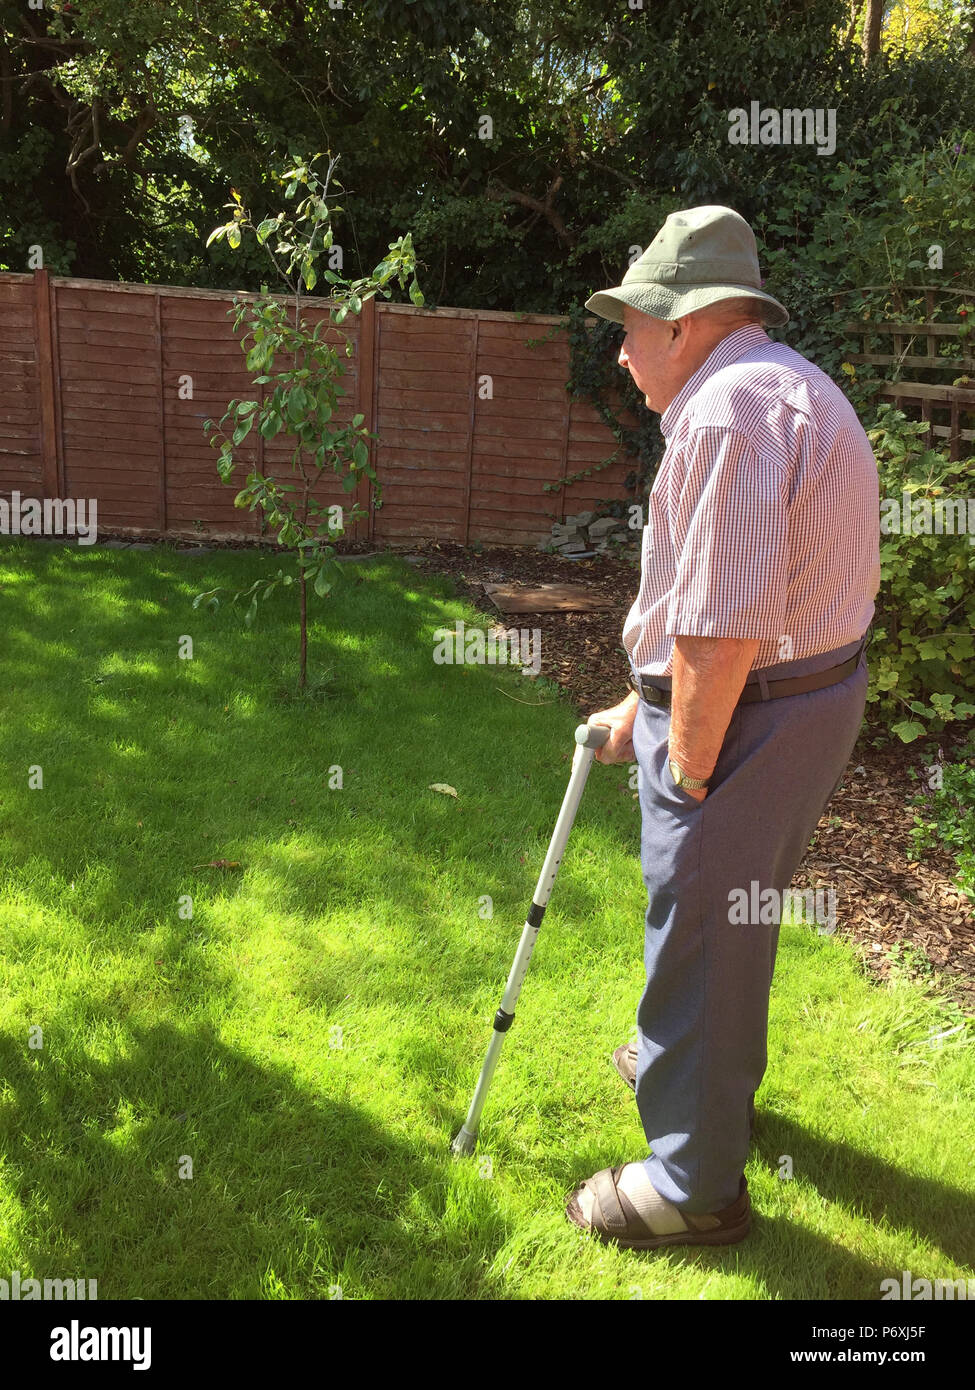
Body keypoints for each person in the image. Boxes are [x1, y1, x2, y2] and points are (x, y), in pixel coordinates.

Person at [565, 205, 880, 1249]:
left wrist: (688, 766)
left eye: (633, 324)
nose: (621, 351)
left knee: (700, 922)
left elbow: (721, 629)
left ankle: (693, 1186)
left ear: (686, 323)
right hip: (805, 701)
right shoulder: (788, 387)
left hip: (750, 719)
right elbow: (744, 594)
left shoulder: (725, 416)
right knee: (730, 926)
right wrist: (637, 703)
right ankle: (691, 1077)